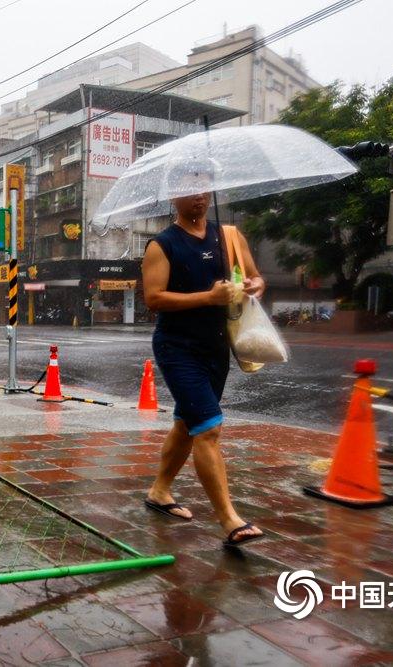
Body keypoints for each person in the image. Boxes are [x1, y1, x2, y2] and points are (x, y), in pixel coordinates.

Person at [140, 160, 266, 548]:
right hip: (177, 347)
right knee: (208, 428)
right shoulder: (162, 245)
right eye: (189, 185)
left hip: (218, 345)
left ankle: (160, 491)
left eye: (204, 184)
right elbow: (154, 299)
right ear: (173, 195)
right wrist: (208, 296)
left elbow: (256, 276)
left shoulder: (229, 236)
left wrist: (252, 287)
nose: (198, 192)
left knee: (187, 424)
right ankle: (230, 520)